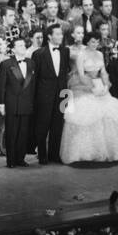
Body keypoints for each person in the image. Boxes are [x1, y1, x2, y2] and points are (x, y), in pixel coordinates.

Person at [59, 43, 118, 163]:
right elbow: (82, 75)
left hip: (99, 83)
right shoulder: (81, 55)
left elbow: (103, 71)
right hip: (85, 85)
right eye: (93, 41)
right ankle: (85, 152)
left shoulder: (99, 54)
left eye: (97, 42)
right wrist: (91, 88)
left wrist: (106, 85)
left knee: (107, 116)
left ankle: (108, 150)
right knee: (86, 115)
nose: (95, 44)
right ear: (88, 42)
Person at [32, 22, 71, 165]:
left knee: (58, 125)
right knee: (42, 125)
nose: (61, 36)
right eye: (58, 34)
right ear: (49, 36)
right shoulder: (38, 54)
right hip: (44, 95)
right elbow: (35, 79)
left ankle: (55, 155)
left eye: (61, 34)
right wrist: (35, 99)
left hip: (62, 94)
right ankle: (42, 156)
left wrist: (67, 99)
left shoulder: (65, 51)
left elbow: (65, 76)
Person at [0, 36, 37, 168]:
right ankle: (11, 160)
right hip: (12, 103)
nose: (23, 48)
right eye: (19, 46)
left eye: (24, 45)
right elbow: (1, 86)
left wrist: (32, 102)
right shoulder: (6, 64)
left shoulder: (31, 63)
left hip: (26, 103)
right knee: (11, 132)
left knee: (23, 132)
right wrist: (1, 104)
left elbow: (33, 85)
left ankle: (20, 158)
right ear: (13, 49)